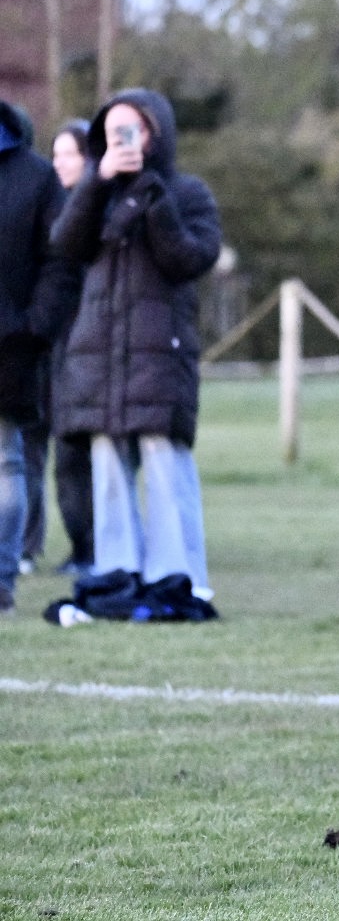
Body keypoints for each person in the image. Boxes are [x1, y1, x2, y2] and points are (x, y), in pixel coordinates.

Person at [49, 90, 221, 607]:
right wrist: (95, 184)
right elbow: (65, 244)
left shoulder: (188, 192)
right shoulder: (92, 191)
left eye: (133, 130)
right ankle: (117, 573)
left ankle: (179, 576)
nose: (120, 141)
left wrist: (154, 200)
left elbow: (191, 259)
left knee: (164, 460)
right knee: (106, 462)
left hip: (159, 353)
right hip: (98, 353)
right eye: (111, 132)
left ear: (157, 134)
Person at [1, 101, 78, 617]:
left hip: (7, 348)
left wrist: (33, 326)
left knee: (7, 464)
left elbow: (60, 259)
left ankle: (2, 579)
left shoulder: (35, 177)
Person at [21, 121, 96, 580]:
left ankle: (88, 547)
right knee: (27, 448)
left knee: (72, 455)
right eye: (55, 155)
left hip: (79, 350)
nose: (58, 163)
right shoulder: (44, 207)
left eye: (67, 154)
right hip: (42, 347)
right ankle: (25, 545)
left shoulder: (93, 212)